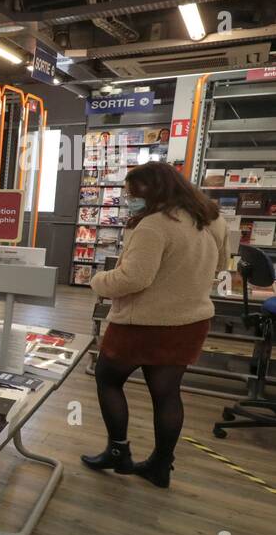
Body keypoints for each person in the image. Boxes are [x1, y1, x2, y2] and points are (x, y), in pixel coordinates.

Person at [81, 161, 229, 488]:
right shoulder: (212, 219)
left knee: (107, 379)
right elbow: (221, 264)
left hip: (142, 323)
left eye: (133, 193)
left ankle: (118, 452)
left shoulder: (154, 225)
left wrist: (98, 281)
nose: (130, 198)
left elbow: (134, 278)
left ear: (153, 190)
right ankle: (161, 465)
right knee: (166, 394)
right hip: (190, 322)